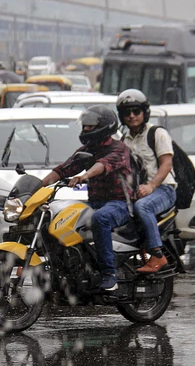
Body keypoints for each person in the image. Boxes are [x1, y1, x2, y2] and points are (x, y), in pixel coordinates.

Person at [38, 105, 133, 293]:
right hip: (95, 202)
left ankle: (109, 274)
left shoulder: (119, 149)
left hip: (120, 204)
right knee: (58, 216)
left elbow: (102, 165)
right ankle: (69, 270)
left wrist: (85, 175)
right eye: (85, 126)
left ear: (104, 126)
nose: (86, 129)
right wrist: (37, 187)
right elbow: (63, 169)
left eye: (90, 126)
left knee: (100, 219)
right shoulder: (87, 149)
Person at [117, 89, 178, 273]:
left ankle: (158, 256)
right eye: (127, 112)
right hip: (138, 191)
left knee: (143, 207)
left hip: (163, 190)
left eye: (136, 111)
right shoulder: (124, 139)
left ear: (145, 112)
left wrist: (152, 186)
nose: (132, 116)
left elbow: (166, 164)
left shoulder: (157, 133)